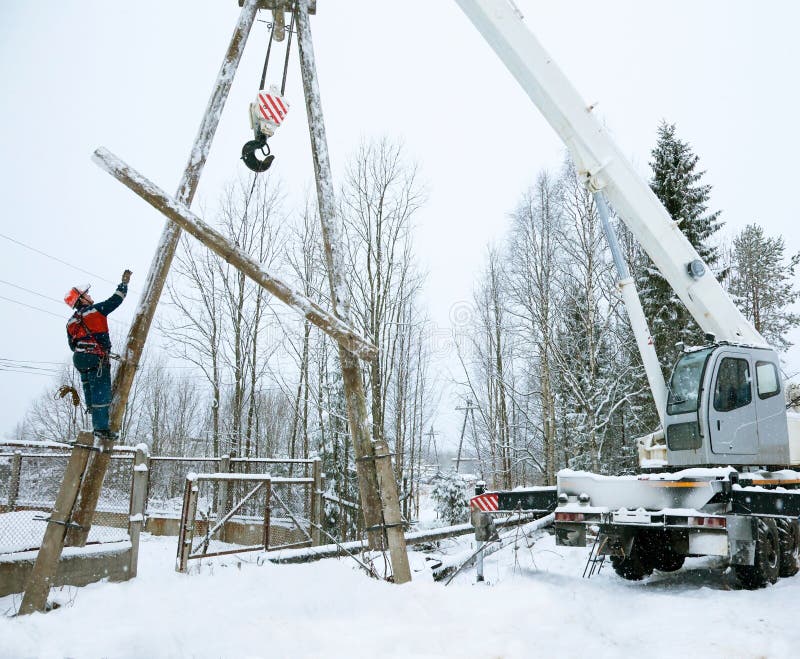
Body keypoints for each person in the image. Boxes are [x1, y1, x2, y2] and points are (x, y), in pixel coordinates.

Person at [64, 270, 132, 439]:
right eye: (87, 294)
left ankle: (93, 414)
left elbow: (72, 345)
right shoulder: (94, 311)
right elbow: (115, 300)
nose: (89, 296)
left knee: (89, 388)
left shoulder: (71, 322)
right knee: (101, 391)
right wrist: (124, 284)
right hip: (95, 357)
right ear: (81, 299)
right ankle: (101, 429)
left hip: (79, 359)